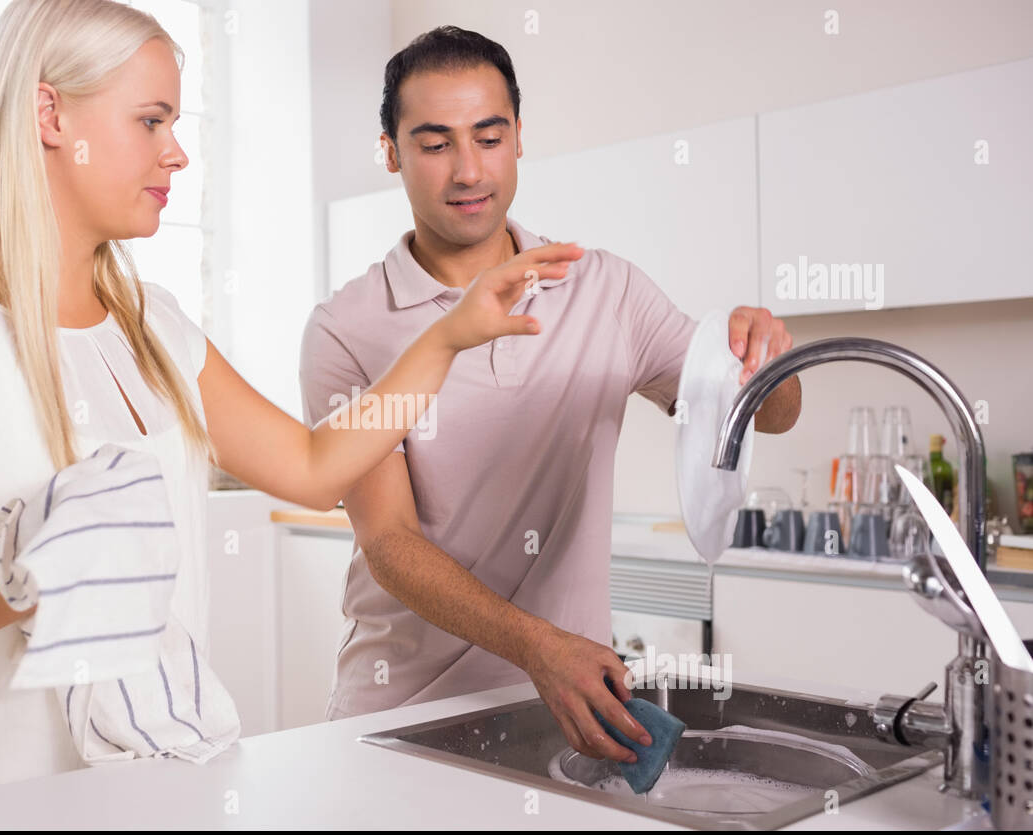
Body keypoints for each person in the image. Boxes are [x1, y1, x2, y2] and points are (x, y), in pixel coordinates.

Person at [0, 0, 582, 801]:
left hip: (161, 796)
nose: (178, 153)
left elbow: (314, 467)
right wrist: (31, 576)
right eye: (150, 122)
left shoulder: (156, 326)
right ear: (50, 113)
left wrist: (445, 339)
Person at [299, 26, 802, 765]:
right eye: (435, 143)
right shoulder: (346, 329)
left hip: (569, 710)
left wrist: (764, 360)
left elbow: (766, 415)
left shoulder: (607, 290)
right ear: (391, 151)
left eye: (489, 137)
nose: (469, 170)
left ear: (519, 139)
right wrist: (539, 647)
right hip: (399, 719)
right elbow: (390, 544)